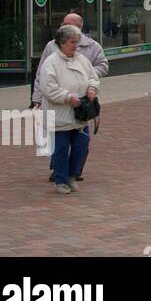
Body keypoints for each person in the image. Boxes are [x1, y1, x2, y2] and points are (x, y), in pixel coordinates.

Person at [32, 13, 108, 183]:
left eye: (69, 24)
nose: (63, 27)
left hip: (82, 105)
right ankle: (61, 174)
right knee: (60, 144)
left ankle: (73, 172)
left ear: (80, 27)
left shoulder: (91, 47)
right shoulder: (51, 49)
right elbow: (42, 77)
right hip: (59, 107)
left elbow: (101, 67)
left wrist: (89, 85)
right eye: (63, 23)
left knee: (81, 142)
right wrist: (36, 98)